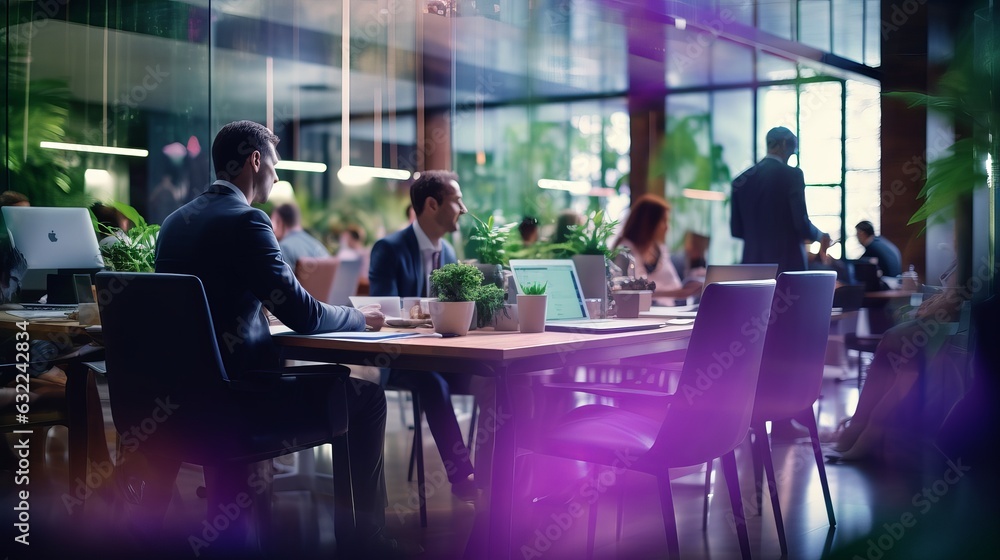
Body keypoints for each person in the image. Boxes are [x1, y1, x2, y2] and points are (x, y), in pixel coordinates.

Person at [154, 120, 407, 555]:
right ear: (254, 160)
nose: (276, 175)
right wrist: (359, 317)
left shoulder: (174, 223)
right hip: (239, 403)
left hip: (181, 402)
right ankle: (365, 541)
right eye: (274, 165)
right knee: (366, 399)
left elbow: (211, 299)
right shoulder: (248, 221)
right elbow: (305, 315)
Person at [368, 170, 478, 500]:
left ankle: (501, 472)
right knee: (434, 382)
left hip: (439, 353)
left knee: (490, 376)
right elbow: (383, 315)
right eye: (457, 201)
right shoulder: (389, 249)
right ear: (432, 205)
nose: (463, 208)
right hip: (398, 356)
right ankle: (462, 478)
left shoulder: (447, 253)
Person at [731, 126, 830, 274]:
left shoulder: (740, 181)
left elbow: (736, 231)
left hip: (752, 268)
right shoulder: (792, 175)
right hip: (787, 267)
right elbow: (801, 223)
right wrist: (819, 235)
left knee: (758, 299)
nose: (792, 154)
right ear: (784, 144)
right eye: (794, 150)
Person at [613, 194, 702, 301]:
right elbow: (631, 292)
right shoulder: (625, 251)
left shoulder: (659, 249)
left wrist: (688, 290)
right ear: (649, 222)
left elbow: (674, 284)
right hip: (648, 311)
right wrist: (678, 293)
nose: (667, 227)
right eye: (663, 221)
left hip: (668, 309)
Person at [270, 201, 329, 271]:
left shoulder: (283, 248)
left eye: (272, 221)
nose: (272, 228)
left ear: (279, 222)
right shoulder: (318, 246)